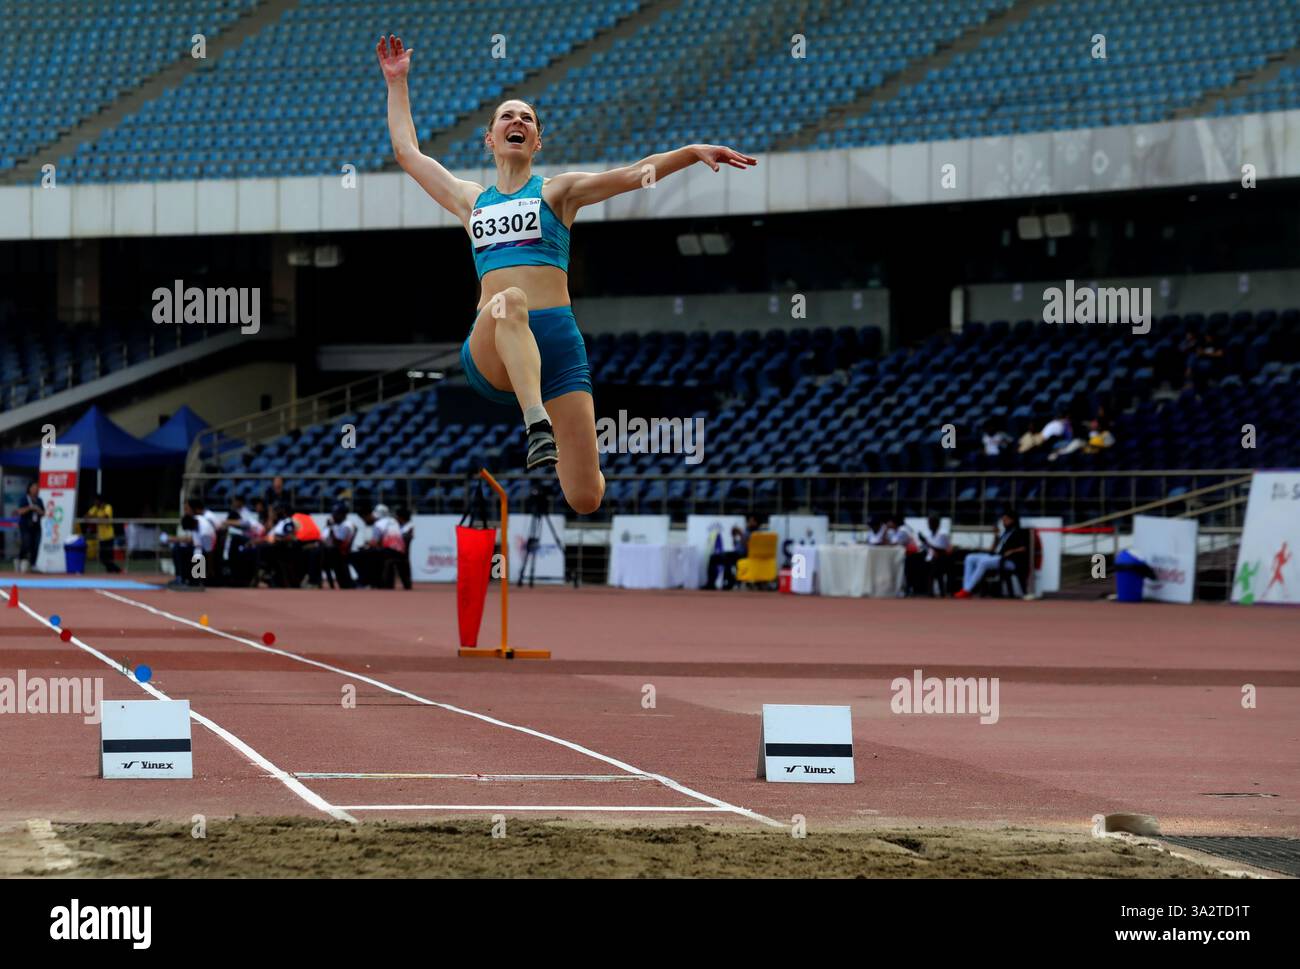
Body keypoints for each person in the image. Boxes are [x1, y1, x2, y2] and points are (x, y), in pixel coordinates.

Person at [378, 34, 755, 513]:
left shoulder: (558, 193)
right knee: (510, 298)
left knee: (584, 497)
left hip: (557, 344)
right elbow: (408, 153)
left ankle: (561, 443)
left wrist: (690, 151)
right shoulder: (470, 200)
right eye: (507, 117)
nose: (518, 121)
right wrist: (398, 82)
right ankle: (536, 422)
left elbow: (633, 174)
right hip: (492, 341)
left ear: (537, 141)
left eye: (527, 119)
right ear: (490, 138)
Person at [954, 511, 1029, 599]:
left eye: (1006, 520)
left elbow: (1024, 548)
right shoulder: (1005, 533)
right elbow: (994, 549)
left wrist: (1011, 551)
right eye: (1003, 520)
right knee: (969, 558)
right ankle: (966, 589)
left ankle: (967, 590)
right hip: (997, 557)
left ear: (1012, 520)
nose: (1004, 522)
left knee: (983, 562)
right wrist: (996, 536)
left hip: (1010, 561)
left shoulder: (1018, 532)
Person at [86, 494, 121, 573]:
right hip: (101, 537)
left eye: (96, 501)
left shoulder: (108, 507)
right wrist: (93, 517)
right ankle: (117, 570)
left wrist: (95, 518)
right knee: (102, 558)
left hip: (109, 536)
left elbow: (105, 517)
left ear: (100, 501)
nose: (94, 503)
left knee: (109, 557)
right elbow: (87, 516)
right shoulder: (95, 508)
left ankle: (113, 571)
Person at [16, 482, 43, 573]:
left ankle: (33, 564)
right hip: (25, 525)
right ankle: (20, 559)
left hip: (36, 525)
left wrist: (38, 510)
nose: (36, 489)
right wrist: (30, 508)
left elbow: (43, 513)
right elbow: (20, 511)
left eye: (37, 488)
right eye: (34, 487)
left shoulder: (39, 500)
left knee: (36, 544)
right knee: (26, 543)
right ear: (29, 489)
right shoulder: (24, 499)